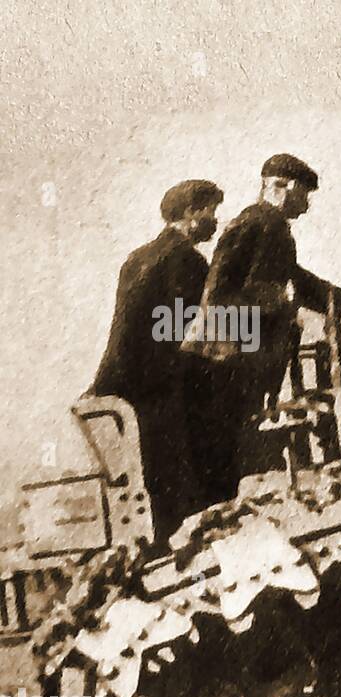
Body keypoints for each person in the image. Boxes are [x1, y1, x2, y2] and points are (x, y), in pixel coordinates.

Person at [185, 153, 341, 506]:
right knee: (238, 446)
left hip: (227, 353)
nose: (306, 204)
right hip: (231, 357)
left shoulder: (259, 222)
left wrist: (338, 299)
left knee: (234, 445)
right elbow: (245, 293)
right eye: (305, 194)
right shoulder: (267, 223)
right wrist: (296, 314)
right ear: (288, 187)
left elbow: (293, 277)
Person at [89, 179, 223, 539]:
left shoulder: (137, 257)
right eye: (211, 211)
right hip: (162, 388)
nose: (215, 220)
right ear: (192, 213)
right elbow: (186, 331)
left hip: (123, 385)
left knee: (149, 479)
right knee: (179, 480)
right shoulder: (186, 260)